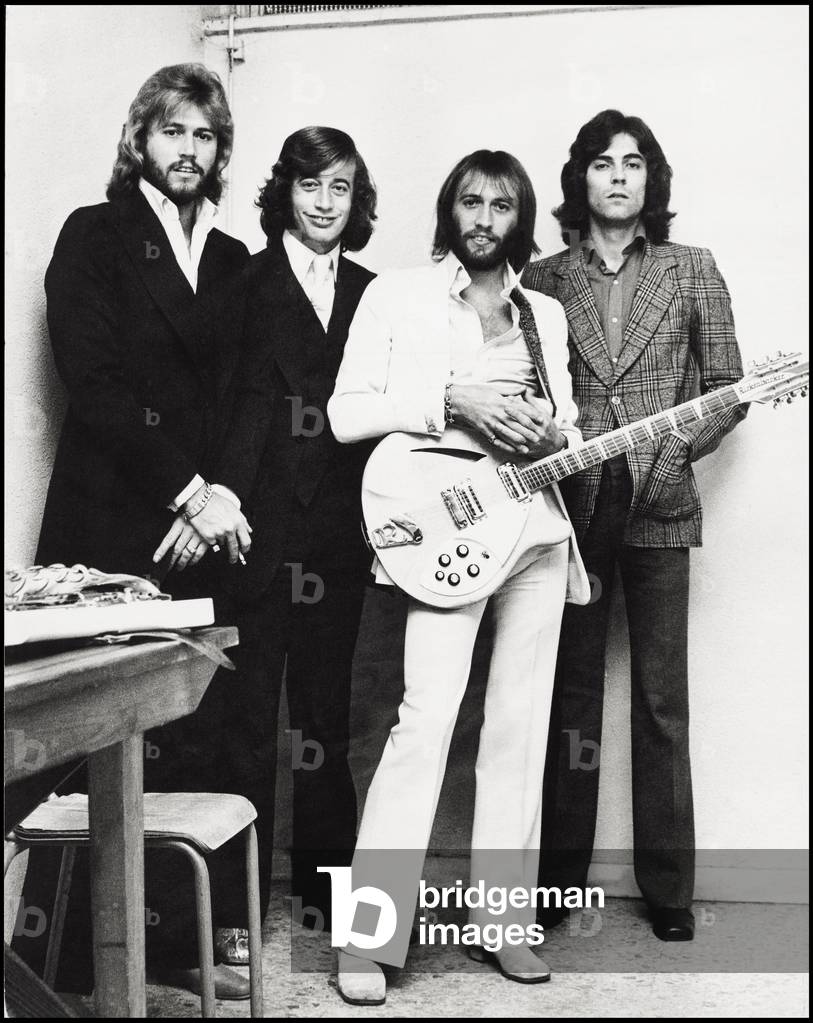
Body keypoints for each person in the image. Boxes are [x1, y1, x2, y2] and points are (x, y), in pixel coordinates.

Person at [327, 149, 590, 1004]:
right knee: (424, 720)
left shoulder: (542, 312)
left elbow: (568, 426)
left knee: (519, 728)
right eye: (470, 202)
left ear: (521, 219)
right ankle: (367, 937)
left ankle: (502, 925)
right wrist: (453, 401)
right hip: (445, 531)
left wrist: (557, 437)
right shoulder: (396, 294)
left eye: (501, 205)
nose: (484, 218)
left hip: (538, 535)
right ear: (450, 209)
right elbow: (343, 413)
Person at [15, 64, 253, 999]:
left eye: (204, 136)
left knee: (190, 737)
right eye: (172, 132)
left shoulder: (234, 259)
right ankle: (65, 966)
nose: (188, 150)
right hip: (110, 528)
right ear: (140, 141)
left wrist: (219, 495)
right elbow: (99, 382)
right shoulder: (96, 234)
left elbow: (247, 399)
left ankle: (179, 958)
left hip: (205, 527)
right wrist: (187, 492)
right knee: (90, 748)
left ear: (218, 151)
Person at [521, 109, 747, 942]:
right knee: (567, 696)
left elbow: (727, 383)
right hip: (566, 514)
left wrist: (671, 447)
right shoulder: (541, 278)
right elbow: (524, 391)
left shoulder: (692, 269)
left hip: (660, 508)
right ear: (578, 179)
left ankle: (668, 889)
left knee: (660, 701)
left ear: (652, 182)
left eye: (633, 163)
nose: (617, 176)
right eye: (601, 163)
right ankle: (555, 884)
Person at [191, 126, 378, 960]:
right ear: (285, 194)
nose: (324, 202)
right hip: (252, 541)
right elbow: (219, 408)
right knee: (245, 725)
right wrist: (220, 501)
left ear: (355, 199)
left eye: (339, 187)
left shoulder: (376, 293)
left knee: (324, 726)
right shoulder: (242, 282)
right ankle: (229, 912)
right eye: (309, 185)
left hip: (338, 541)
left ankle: (325, 904)